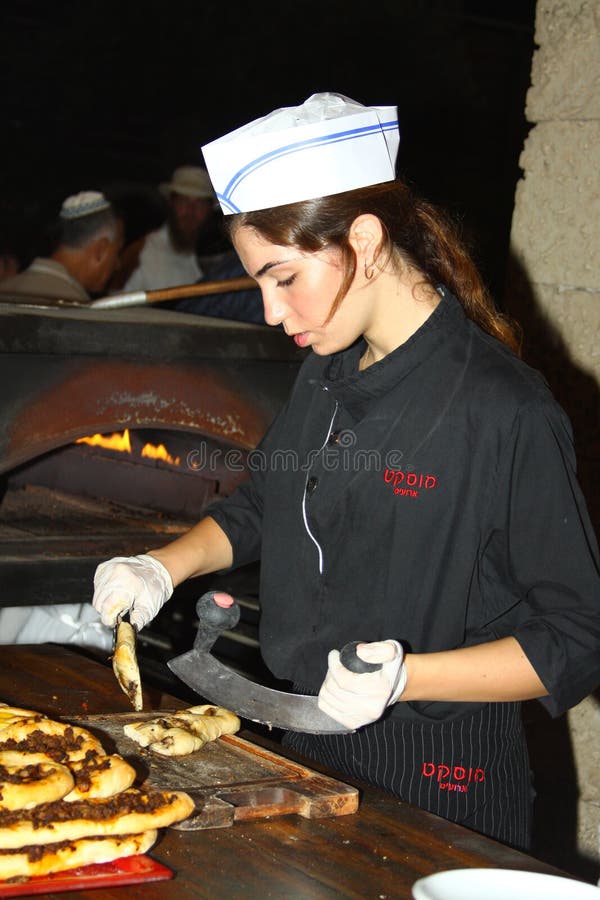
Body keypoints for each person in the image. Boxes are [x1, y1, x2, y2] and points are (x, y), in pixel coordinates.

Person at [91, 93, 600, 850]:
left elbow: (578, 635)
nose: (271, 312)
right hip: (308, 744)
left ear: (363, 239)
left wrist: (406, 677)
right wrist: (162, 567)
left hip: (443, 778)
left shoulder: (501, 409)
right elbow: (263, 505)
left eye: (283, 277)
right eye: (258, 284)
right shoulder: (327, 370)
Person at [0, 192, 122, 303]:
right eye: (116, 253)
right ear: (100, 249)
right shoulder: (75, 306)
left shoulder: (6, 289)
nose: (117, 264)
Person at [120, 165, 217, 292]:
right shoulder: (142, 251)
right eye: (183, 201)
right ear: (171, 204)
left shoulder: (219, 257)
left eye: (200, 204)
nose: (191, 212)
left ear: (209, 211)